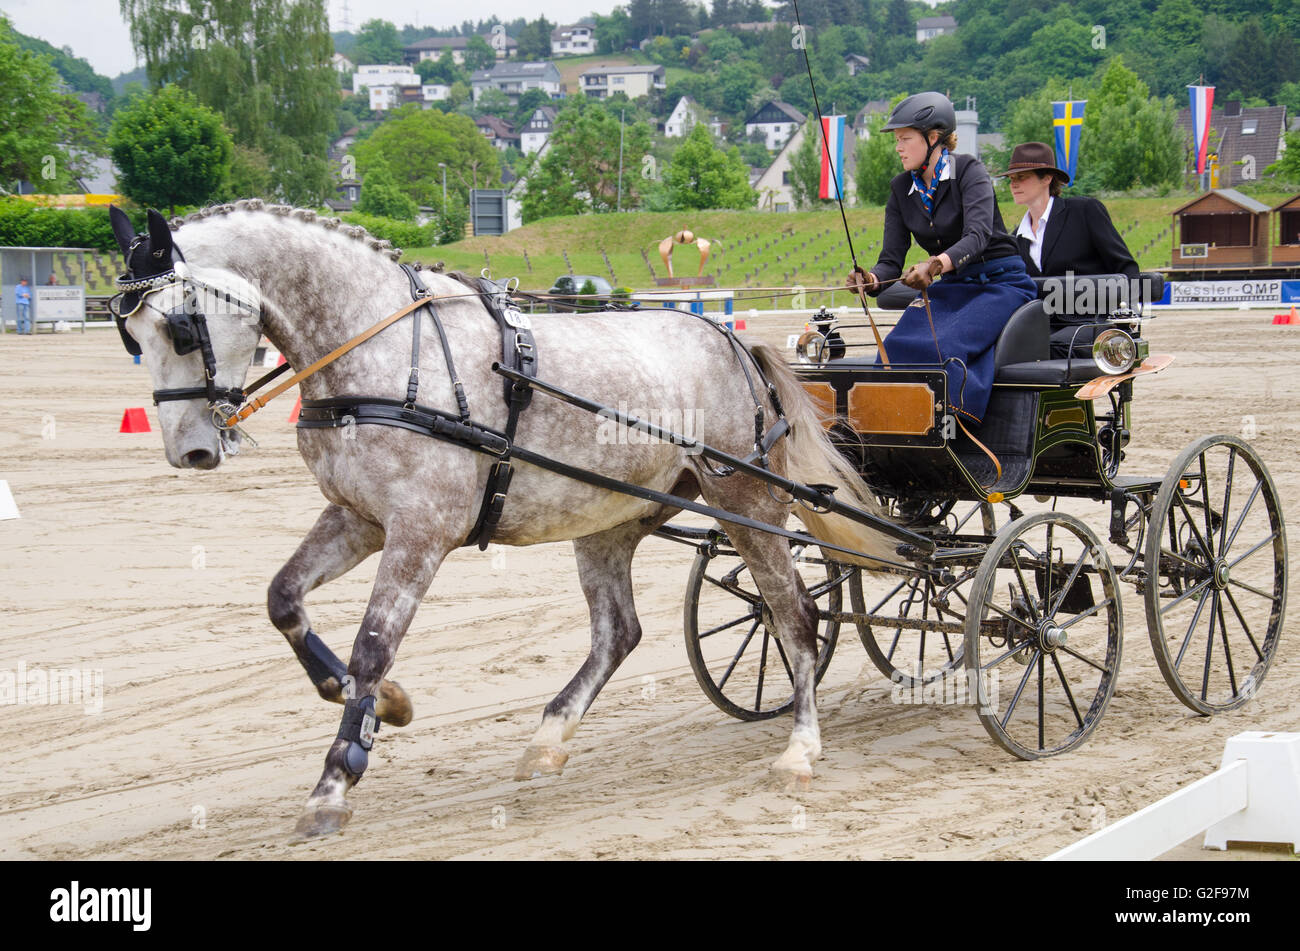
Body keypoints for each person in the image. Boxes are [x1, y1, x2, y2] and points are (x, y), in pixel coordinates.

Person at [846, 93, 1035, 425]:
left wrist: (934, 265)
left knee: (942, 344)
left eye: (905, 139)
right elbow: (891, 259)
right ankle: (886, 428)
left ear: (933, 138)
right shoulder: (900, 188)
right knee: (896, 345)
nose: (898, 147)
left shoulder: (970, 171)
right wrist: (871, 279)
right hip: (954, 287)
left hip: (1001, 285)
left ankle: (950, 428)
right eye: (897, 140)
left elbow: (977, 236)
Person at [1000, 142, 1139, 357]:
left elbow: (1125, 266)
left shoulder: (1084, 212)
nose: (1014, 185)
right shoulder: (1016, 239)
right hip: (1043, 325)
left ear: (1047, 178)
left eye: (1022, 177)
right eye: (1011, 179)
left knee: (1050, 348)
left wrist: (1128, 316)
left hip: (1093, 321)